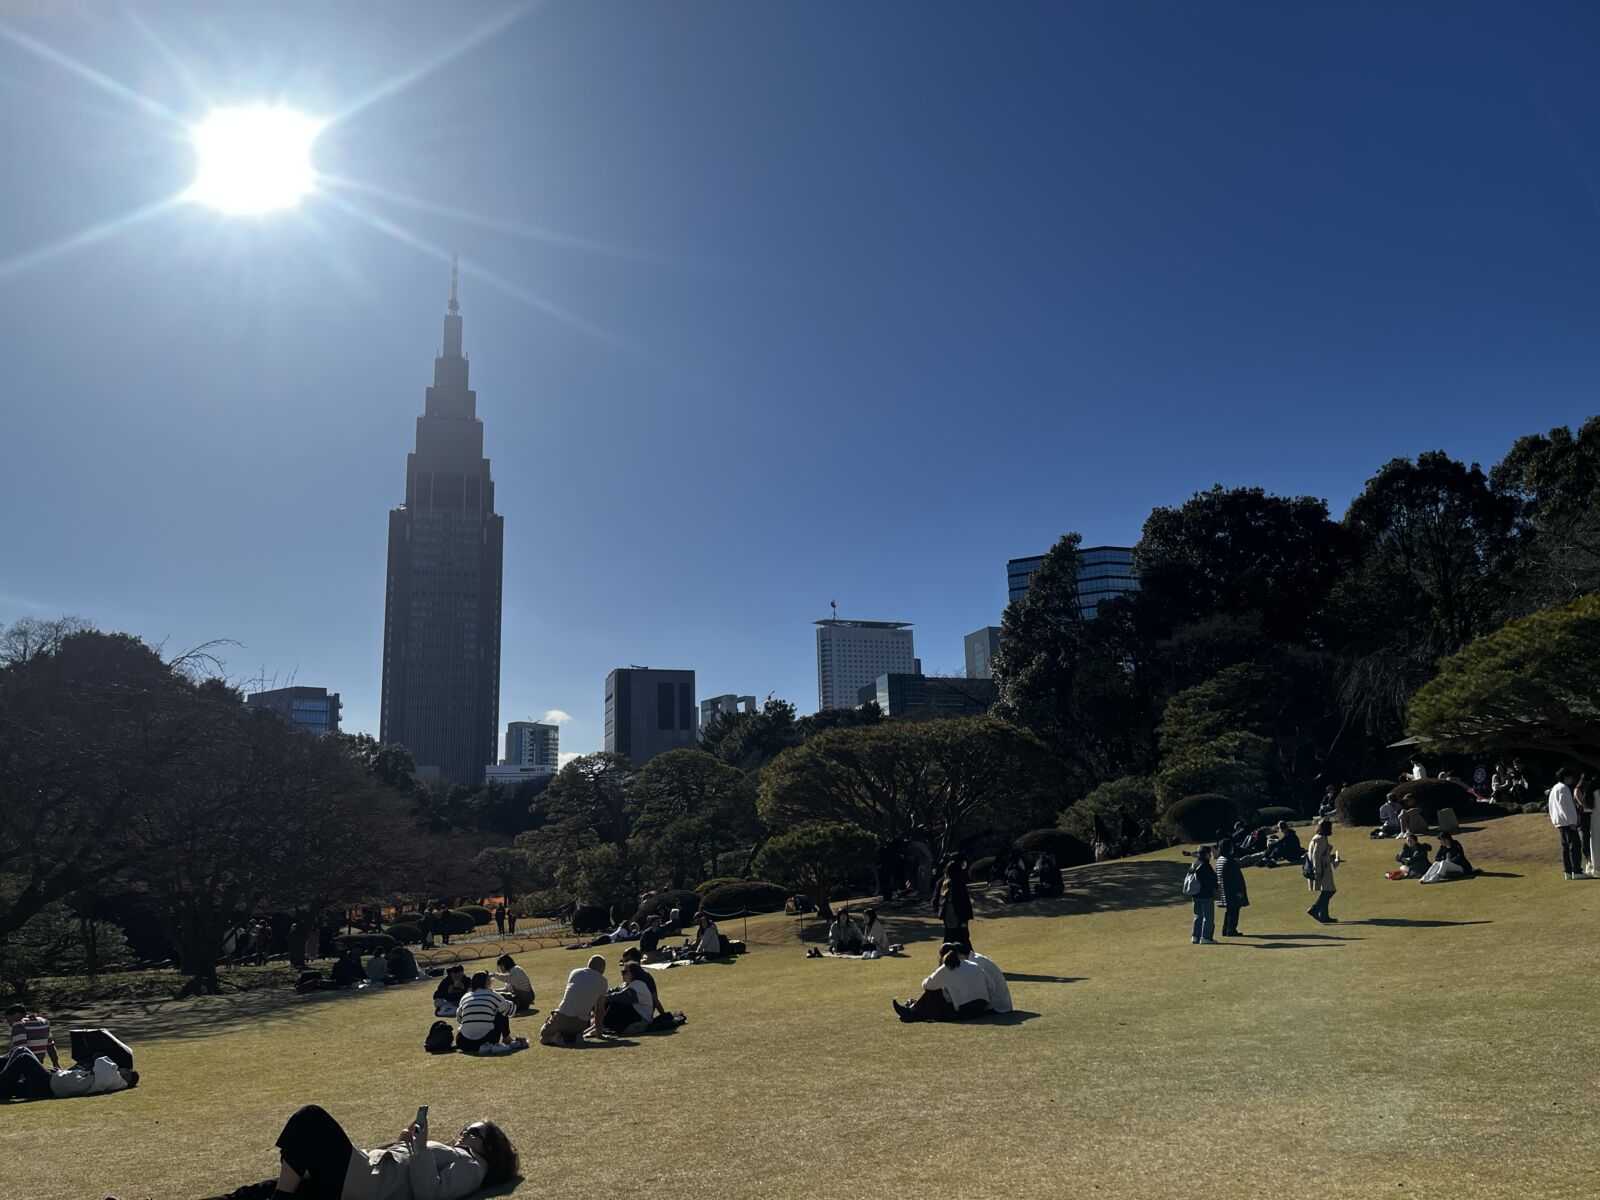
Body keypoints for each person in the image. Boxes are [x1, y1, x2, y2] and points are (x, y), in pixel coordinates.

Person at [267, 1103, 517, 1199]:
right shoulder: (456, 1154)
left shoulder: (472, 1167)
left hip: (365, 1182)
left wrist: (419, 1148)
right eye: (464, 1128)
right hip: (360, 1174)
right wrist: (403, 1142)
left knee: (311, 1119)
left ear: (488, 1148)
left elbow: (430, 1193)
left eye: (473, 1133)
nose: (463, 1133)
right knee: (262, 1189)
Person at [0, 1045, 137, 1101]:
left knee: (24, 1056)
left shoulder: (115, 1081)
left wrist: (99, 1055)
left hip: (48, 1084)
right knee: (19, 1051)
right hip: (50, 1082)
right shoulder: (109, 1080)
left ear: (128, 1076)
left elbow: (101, 1063)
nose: (120, 1068)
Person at [892, 947, 990, 1022]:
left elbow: (926, 985)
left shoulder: (947, 967)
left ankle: (911, 1012)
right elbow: (991, 985)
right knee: (941, 994)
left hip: (965, 1011)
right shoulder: (974, 965)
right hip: (981, 1008)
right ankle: (913, 1009)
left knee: (933, 992)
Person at [540, 956, 608, 1046]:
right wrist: (599, 1034)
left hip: (562, 1017)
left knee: (543, 1037)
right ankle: (574, 1037)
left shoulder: (575, 972)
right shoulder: (603, 982)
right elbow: (599, 1009)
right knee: (571, 1028)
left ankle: (555, 1038)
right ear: (602, 968)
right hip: (581, 1024)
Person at [455, 973, 516, 1053]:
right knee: (501, 1011)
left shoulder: (465, 997)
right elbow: (510, 1011)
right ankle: (506, 1038)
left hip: (463, 1042)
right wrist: (510, 1002)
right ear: (486, 982)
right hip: (487, 1040)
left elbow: (459, 1018)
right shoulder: (492, 994)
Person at [1549, 767, 1585, 880]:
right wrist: (1572, 822)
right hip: (1567, 822)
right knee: (1574, 846)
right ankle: (1577, 871)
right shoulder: (1564, 788)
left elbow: (1552, 807)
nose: (1572, 779)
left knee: (1565, 847)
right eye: (1571, 777)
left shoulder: (1555, 788)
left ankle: (1568, 872)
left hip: (1560, 822)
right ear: (1566, 777)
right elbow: (1567, 807)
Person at [601, 962, 654, 1035]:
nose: (622, 974)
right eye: (621, 972)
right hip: (635, 1015)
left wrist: (601, 999)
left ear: (633, 973)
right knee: (608, 1002)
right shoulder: (628, 984)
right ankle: (601, 1025)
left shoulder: (638, 984)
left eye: (624, 972)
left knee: (615, 1004)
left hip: (642, 1019)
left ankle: (604, 1025)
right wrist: (599, 997)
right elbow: (614, 991)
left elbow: (621, 996)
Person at [619, 947, 668, 1020]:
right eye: (623, 961)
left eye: (626, 961)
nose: (624, 964)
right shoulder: (629, 973)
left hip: (641, 1013)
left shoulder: (645, 976)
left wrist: (664, 1017)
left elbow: (655, 999)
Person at [936, 856, 973, 951]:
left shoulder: (942, 882)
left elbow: (936, 899)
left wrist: (939, 911)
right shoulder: (958, 882)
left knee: (949, 936)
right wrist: (966, 916)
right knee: (963, 937)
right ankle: (968, 957)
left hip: (946, 914)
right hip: (958, 914)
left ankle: (946, 955)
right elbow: (962, 901)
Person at [6, 1005, 60, 1069]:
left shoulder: (19, 1025)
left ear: (17, 1014)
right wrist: (56, 1064)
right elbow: (51, 1046)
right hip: (40, 1067)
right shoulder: (44, 1022)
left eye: (9, 1021)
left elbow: (20, 1054)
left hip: (26, 1071)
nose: (9, 1024)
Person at [964, 945, 1013, 1014]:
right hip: (1001, 1002)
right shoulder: (976, 958)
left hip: (996, 1006)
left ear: (960, 954)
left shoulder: (976, 963)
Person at [1306, 818, 1338, 922]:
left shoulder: (1318, 837)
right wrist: (1317, 871)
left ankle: (1324, 915)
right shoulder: (1320, 839)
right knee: (1329, 891)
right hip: (1322, 869)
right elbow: (1316, 856)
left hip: (1322, 868)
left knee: (1326, 891)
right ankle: (1314, 909)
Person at [1215, 838, 1248, 937]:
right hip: (1231, 891)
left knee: (1229, 910)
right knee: (1234, 910)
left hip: (1223, 890)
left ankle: (1226, 929)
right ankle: (1231, 930)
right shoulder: (1229, 861)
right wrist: (1239, 891)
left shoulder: (1220, 860)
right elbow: (1235, 878)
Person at [1185, 846, 1218, 944]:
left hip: (1195, 894)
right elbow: (1212, 880)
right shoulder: (1206, 865)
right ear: (1207, 854)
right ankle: (1206, 937)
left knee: (1198, 915)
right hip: (1206, 895)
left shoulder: (1194, 864)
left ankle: (1195, 936)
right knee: (1208, 917)